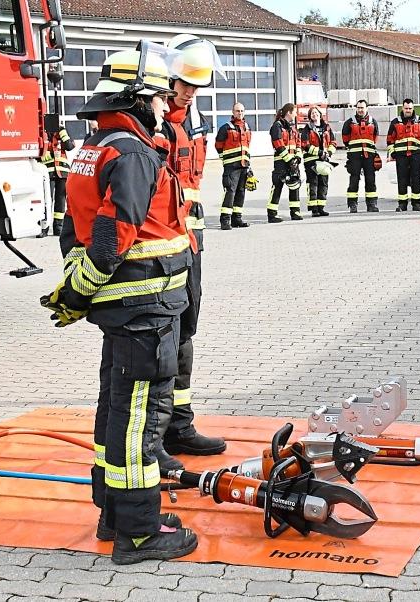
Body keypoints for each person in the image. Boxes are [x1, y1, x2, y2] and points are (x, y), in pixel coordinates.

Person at [45, 41, 196, 562]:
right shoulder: (131, 153)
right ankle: (138, 533)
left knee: (115, 410)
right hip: (145, 311)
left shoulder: (95, 147)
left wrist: (76, 291)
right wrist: (79, 292)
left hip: (127, 313)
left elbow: (73, 231)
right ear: (137, 97)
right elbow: (113, 236)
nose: (165, 107)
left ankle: (115, 514)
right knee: (140, 420)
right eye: (157, 98)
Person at [158, 35, 227, 468]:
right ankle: (157, 432)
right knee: (161, 335)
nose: (189, 92)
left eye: (196, 86)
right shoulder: (154, 117)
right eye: (183, 83)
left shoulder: (192, 117)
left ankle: (180, 424)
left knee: (186, 328)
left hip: (190, 239)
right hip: (160, 242)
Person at [386, 99, 420, 212]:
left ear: (413, 108)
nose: (408, 110)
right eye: (406, 108)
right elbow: (390, 139)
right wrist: (393, 153)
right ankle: (402, 204)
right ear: (402, 108)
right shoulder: (395, 122)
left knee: (416, 180)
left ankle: (416, 204)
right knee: (402, 180)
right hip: (401, 156)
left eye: (410, 108)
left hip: (416, 156)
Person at [214, 102, 251, 229]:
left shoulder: (247, 127)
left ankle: (237, 218)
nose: (239, 113)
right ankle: (225, 220)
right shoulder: (226, 128)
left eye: (241, 111)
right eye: (237, 111)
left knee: (241, 192)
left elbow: (247, 147)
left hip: (244, 166)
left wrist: (249, 166)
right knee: (230, 192)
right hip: (231, 167)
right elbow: (218, 145)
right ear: (233, 112)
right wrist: (225, 160)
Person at [341, 99, 380, 213]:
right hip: (355, 156)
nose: (360, 110)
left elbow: (375, 138)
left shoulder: (373, 122)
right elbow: (345, 139)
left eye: (362, 107)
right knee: (354, 180)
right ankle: (353, 205)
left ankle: (371, 204)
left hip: (369, 156)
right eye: (358, 108)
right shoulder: (349, 122)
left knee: (370, 180)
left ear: (367, 108)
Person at [267, 103, 303, 222]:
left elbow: (298, 143)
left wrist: (297, 157)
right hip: (281, 163)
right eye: (295, 112)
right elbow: (278, 144)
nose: (296, 114)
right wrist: (289, 159)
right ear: (289, 112)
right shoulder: (277, 126)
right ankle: (272, 214)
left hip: (292, 162)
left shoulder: (293, 128)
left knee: (295, 186)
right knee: (277, 187)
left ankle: (295, 212)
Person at [299, 106, 335, 217]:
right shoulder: (307, 128)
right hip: (311, 161)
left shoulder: (327, 128)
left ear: (320, 114)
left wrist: (328, 153)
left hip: (324, 161)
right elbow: (305, 145)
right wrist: (319, 152)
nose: (314, 114)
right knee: (313, 184)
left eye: (316, 112)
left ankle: (321, 207)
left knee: (323, 183)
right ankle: (314, 209)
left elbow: (333, 142)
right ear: (310, 116)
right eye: (312, 113)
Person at [40, 126, 75, 236]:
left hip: (62, 172)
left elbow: (69, 146)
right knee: (47, 200)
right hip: (48, 172)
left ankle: (58, 227)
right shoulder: (42, 134)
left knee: (60, 201)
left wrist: (63, 132)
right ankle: (44, 228)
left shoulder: (61, 133)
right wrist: (43, 156)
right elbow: (37, 150)